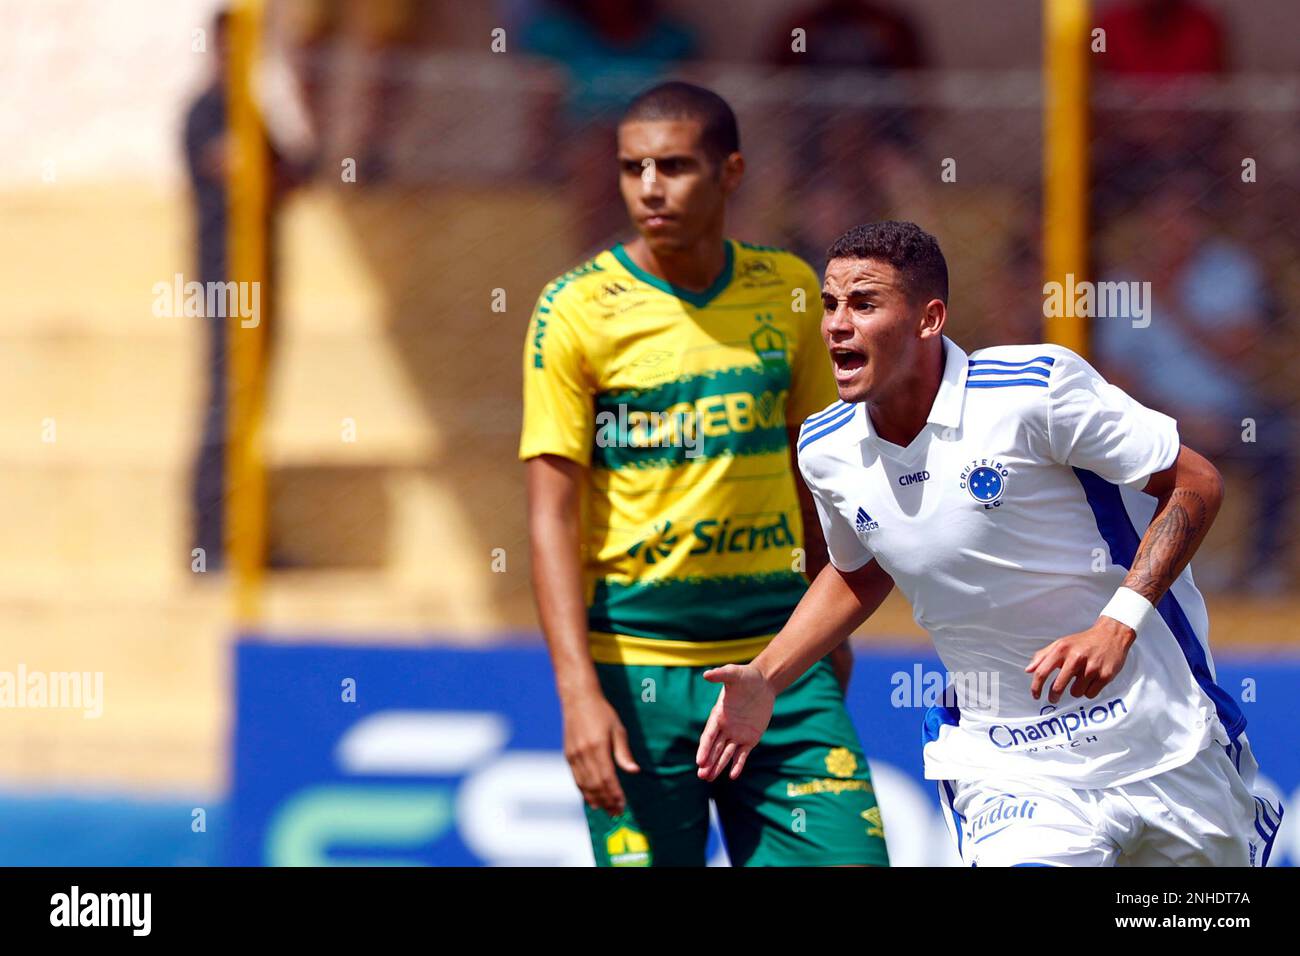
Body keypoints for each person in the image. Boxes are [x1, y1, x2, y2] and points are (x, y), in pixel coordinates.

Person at [696, 221, 1282, 866]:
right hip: (1009, 762)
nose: (837, 323)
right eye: (830, 303)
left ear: (929, 318)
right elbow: (860, 569)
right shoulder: (826, 448)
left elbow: (1195, 482)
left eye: (864, 304)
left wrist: (1117, 624)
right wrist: (766, 676)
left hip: (1163, 738)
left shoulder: (1034, 390)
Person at [520, 82, 889, 867]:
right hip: (637, 677)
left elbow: (820, 474)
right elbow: (550, 515)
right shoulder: (574, 309)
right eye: (633, 167)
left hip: (777, 666)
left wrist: (828, 627)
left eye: (676, 166)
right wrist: (578, 695)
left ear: (731, 172)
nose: (650, 187)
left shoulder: (791, 292)